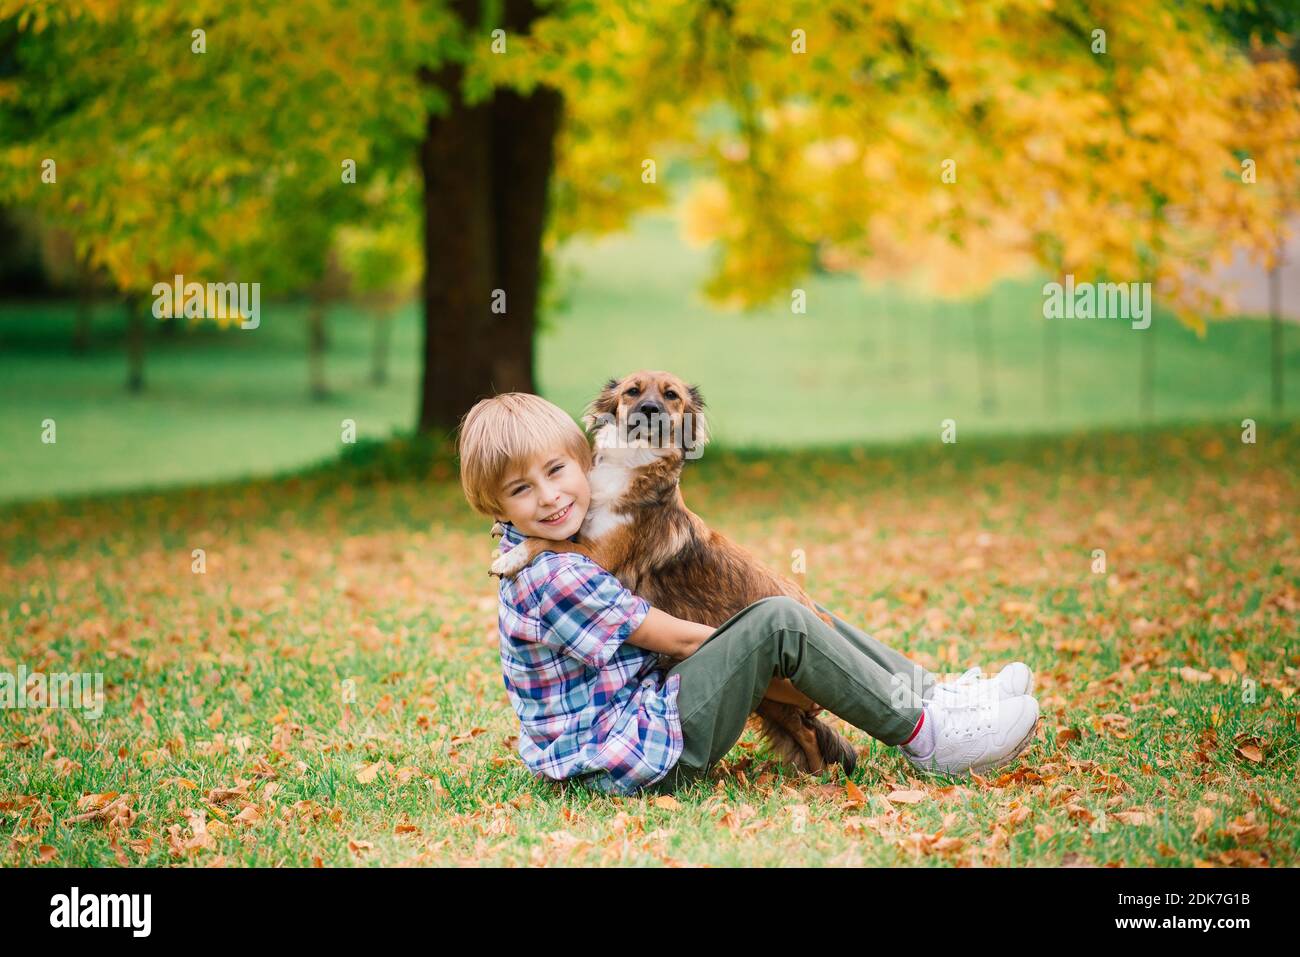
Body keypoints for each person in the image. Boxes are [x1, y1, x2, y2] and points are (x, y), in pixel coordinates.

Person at [456, 391, 1040, 797]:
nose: (549, 497)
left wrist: (805, 657)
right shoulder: (555, 571)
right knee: (781, 622)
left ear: (588, 458)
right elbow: (682, 639)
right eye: (521, 489)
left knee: (801, 612)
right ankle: (930, 736)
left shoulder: (546, 546)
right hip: (630, 759)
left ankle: (931, 695)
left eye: (557, 471)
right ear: (495, 505)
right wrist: (782, 665)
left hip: (630, 731)